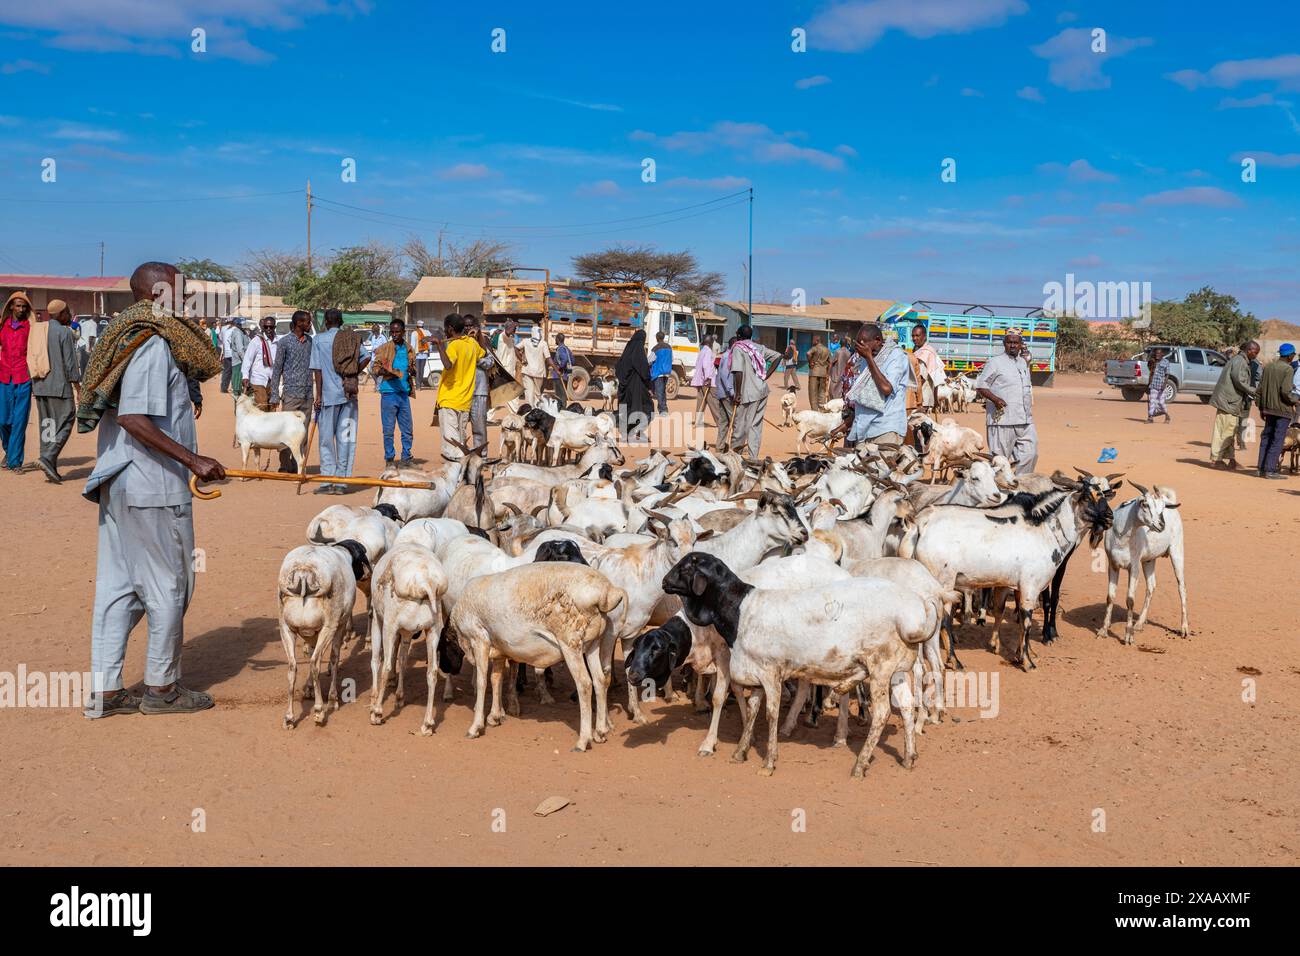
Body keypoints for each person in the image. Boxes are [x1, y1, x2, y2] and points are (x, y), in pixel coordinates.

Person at [80, 261, 225, 718]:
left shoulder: (126, 337)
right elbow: (133, 418)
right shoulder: (152, 344)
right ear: (162, 292)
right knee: (170, 585)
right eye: (183, 289)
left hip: (126, 482)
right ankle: (162, 689)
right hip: (151, 485)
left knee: (120, 587)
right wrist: (193, 460)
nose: (189, 296)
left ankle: (106, 689)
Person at [828, 322, 913, 452]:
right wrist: (840, 428)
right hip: (865, 431)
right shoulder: (865, 360)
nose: (860, 349)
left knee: (881, 470)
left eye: (863, 344)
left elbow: (886, 389)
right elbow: (865, 404)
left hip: (887, 430)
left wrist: (869, 358)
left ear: (877, 340)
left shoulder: (896, 357)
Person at [31, 299, 82, 482]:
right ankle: (48, 456)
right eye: (67, 312)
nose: (69, 315)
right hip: (59, 385)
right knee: (68, 417)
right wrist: (78, 387)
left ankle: (47, 461)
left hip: (40, 385)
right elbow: (70, 364)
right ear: (60, 314)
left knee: (47, 424)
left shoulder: (38, 330)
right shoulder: (63, 332)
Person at [311, 309, 360, 495]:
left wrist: (318, 396)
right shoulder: (352, 338)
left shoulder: (318, 340)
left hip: (327, 397)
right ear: (341, 321)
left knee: (325, 441)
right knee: (346, 440)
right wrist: (352, 374)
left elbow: (317, 370)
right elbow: (366, 357)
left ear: (325, 322)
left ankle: (327, 481)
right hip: (349, 396)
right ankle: (341, 483)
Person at [974, 329, 1037, 475]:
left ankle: (1019, 485)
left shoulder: (1023, 363)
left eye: (1016, 342)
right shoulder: (995, 362)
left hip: (1025, 419)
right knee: (999, 461)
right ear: (1004, 344)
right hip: (1002, 420)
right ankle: (998, 490)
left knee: (1030, 454)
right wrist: (995, 399)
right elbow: (981, 385)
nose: (1013, 345)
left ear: (1021, 344)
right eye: (1009, 342)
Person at [431, 313, 485, 461]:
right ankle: (461, 478)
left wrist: (440, 345)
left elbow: (448, 365)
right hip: (464, 402)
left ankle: (455, 477)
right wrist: (478, 335)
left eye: (445, 328)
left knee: (452, 446)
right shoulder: (472, 344)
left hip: (450, 401)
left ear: (450, 328)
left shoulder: (454, 345)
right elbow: (484, 352)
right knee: (460, 443)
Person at [269, 310, 314, 473]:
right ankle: (284, 465)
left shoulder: (310, 342)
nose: (310, 325)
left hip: (308, 395)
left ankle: (298, 465)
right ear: (298, 324)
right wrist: (274, 394)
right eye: (308, 322)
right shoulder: (285, 342)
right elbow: (277, 370)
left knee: (303, 434)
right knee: (285, 433)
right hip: (290, 395)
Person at [727, 325, 782, 457]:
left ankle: (735, 457)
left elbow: (738, 372)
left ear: (739, 335)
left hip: (748, 393)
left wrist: (738, 394)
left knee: (740, 427)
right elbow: (778, 357)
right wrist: (765, 376)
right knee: (755, 426)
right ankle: (753, 458)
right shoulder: (758, 347)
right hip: (762, 391)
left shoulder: (738, 348)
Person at [1208, 340, 1259, 469]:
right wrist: (1254, 391)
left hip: (1231, 402)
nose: (1256, 355)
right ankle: (1216, 459)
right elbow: (1240, 381)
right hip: (1229, 402)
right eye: (1255, 352)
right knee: (1225, 432)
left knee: (1229, 431)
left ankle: (1231, 459)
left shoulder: (1240, 360)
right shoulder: (1240, 361)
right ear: (1249, 350)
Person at [373, 317, 415, 467]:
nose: (395, 334)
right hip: (388, 393)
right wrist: (383, 371)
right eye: (392, 332)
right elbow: (375, 369)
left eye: (398, 332)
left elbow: (413, 369)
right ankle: (389, 460)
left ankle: (406, 458)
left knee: (407, 429)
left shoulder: (409, 349)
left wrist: (412, 370)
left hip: (404, 394)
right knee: (388, 430)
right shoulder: (384, 348)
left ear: (403, 332)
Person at [0, 291, 33, 472]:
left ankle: (15, 462)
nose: (21, 309)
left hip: (24, 377)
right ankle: (9, 451)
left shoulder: (30, 327)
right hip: (3, 376)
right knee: (3, 420)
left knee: (19, 421)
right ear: (11, 306)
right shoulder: (2, 326)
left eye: (24, 306)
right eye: (18, 305)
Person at [1255, 343, 1297, 479]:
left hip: (1268, 409)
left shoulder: (1268, 367)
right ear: (1290, 355)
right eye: (1293, 354)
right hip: (1282, 410)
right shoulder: (1288, 369)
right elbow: (1286, 392)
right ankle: (1270, 470)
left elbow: (1260, 390)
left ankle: (1260, 469)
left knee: (1266, 437)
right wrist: (1295, 400)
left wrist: (1261, 407)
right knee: (1277, 440)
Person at [616, 328, 653, 443]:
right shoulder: (639, 352)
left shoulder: (627, 350)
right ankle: (638, 432)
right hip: (638, 389)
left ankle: (624, 435)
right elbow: (645, 372)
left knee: (625, 409)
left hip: (624, 389)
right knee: (647, 408)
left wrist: (624, 381)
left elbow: (618, 368)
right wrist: (649, 386)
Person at [463, 315, 494, 448]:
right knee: (460, 427)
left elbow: (490, 362)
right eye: (466, 325)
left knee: (479, 427)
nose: (469, 328)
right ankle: (461, 456)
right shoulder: (459, 341)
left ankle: (481, 457)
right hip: (462, 391)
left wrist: (476, 359)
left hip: (479, 391)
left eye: (471, 325)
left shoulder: (484, 340)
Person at [241, 316, 279, 410]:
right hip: (258, 378)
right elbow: (247, 359)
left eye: (271, 327)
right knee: (262, 406)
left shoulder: (279, 341)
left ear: (275, 327)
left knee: (272, 409)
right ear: (263, 327)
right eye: (266, 327)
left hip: (273, 380)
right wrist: (245, 376)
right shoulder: (256, 341)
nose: (268, 329)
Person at [907, 324, 945, 414]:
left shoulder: (925, 354)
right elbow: (935, 378)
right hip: (925, 398)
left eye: (917, 335)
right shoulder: (926, 350)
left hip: (921, 399)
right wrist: (935, 400)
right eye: (913, 336)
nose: (914, 338)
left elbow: (920, 379)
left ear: (924, 336)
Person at [520, 325, 556, 406]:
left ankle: (530, 411)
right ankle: (536, 410)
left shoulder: (526, 341)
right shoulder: (543, 344)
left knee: (528, 393)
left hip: (527, 371)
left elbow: (515, 348)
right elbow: (548, 358)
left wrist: (522, 359)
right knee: (537, 393)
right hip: (538, 372)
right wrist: (556, 370)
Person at [492, 317, 523, 411]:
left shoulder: (510, 338)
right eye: (514, 328)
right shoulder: (502, 336)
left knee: (498, 394)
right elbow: (506, 332)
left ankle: (514, 413)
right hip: (504, 370)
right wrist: (513, 324)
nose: (515, 330)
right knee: (509, 393)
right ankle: (515, 412)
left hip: (508, 369)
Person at [691, 333, 717, 427]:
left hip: (700, 381)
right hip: (706, 381)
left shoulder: (702, 351)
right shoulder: (708, 351)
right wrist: (708, 378)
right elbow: (706, 365)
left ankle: (698, 421)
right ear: (711, 343)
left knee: (701, 401)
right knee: (713, 402)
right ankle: (720, 422)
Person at [1146, 346, 1172, 424]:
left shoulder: (1166, 362)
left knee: (1161, 403)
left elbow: (1167, 374)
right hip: (1153, 385)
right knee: (1152, 401)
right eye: (1156, 353)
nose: (1157, 355)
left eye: (1159, 353)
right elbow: (1151, 374)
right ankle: (1150, 417)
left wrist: (1164, 384)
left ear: (1162, 354)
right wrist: (1148, 385)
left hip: (1161, 385)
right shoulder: (1153, 361)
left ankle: (1167, 415)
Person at [805, 335, 831, 411]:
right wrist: (827, 374)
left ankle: (814, 411)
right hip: (823, 373)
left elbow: (808, 353)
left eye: (813, 340)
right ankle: (822, 409)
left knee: (813, 393)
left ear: (817, 340)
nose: (812, 341)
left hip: (814, 372)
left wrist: (810, 362)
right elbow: (830, 362)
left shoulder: (815, 348)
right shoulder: (827, 350)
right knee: (822, 392)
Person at [650, 332, 673, 417]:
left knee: (659, 392)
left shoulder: (655, 348)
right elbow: (672, 358)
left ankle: (663, 410)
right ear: (664, 337)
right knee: (663, 391)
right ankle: (664, 409)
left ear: (657, 338)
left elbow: (650, 360)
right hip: (667, 372)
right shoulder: (669, 347)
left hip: (658, 372)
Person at [218, 317, 237, 392]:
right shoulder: (235, 329)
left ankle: (223, 387)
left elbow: (221, 339)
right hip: (234, 353)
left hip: (226, 353)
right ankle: (234, 387)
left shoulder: (223, 329)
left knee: (226, 371)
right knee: (235, 370)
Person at [553, 332, 573, 403]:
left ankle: (562, 409)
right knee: (563, 392)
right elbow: (572, 360)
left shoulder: (560, 349)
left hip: (559, 375)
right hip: (564, 375)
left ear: (558, 339)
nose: (555, 340)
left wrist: (559, 367)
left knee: (560, 394)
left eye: (555, 339)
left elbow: (565, 359)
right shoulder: (567, 349)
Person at [410, 319, 427, 392]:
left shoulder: (414, 333)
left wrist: (411, 354)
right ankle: (420, 383)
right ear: (423, 326)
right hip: (425, 354)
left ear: (417, 326)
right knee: (422, 370)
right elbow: (429, 344)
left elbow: (412, 345)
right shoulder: (427, 332)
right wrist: (428, 352)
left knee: (417, 370)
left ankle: (418, 386)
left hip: (417, 354)